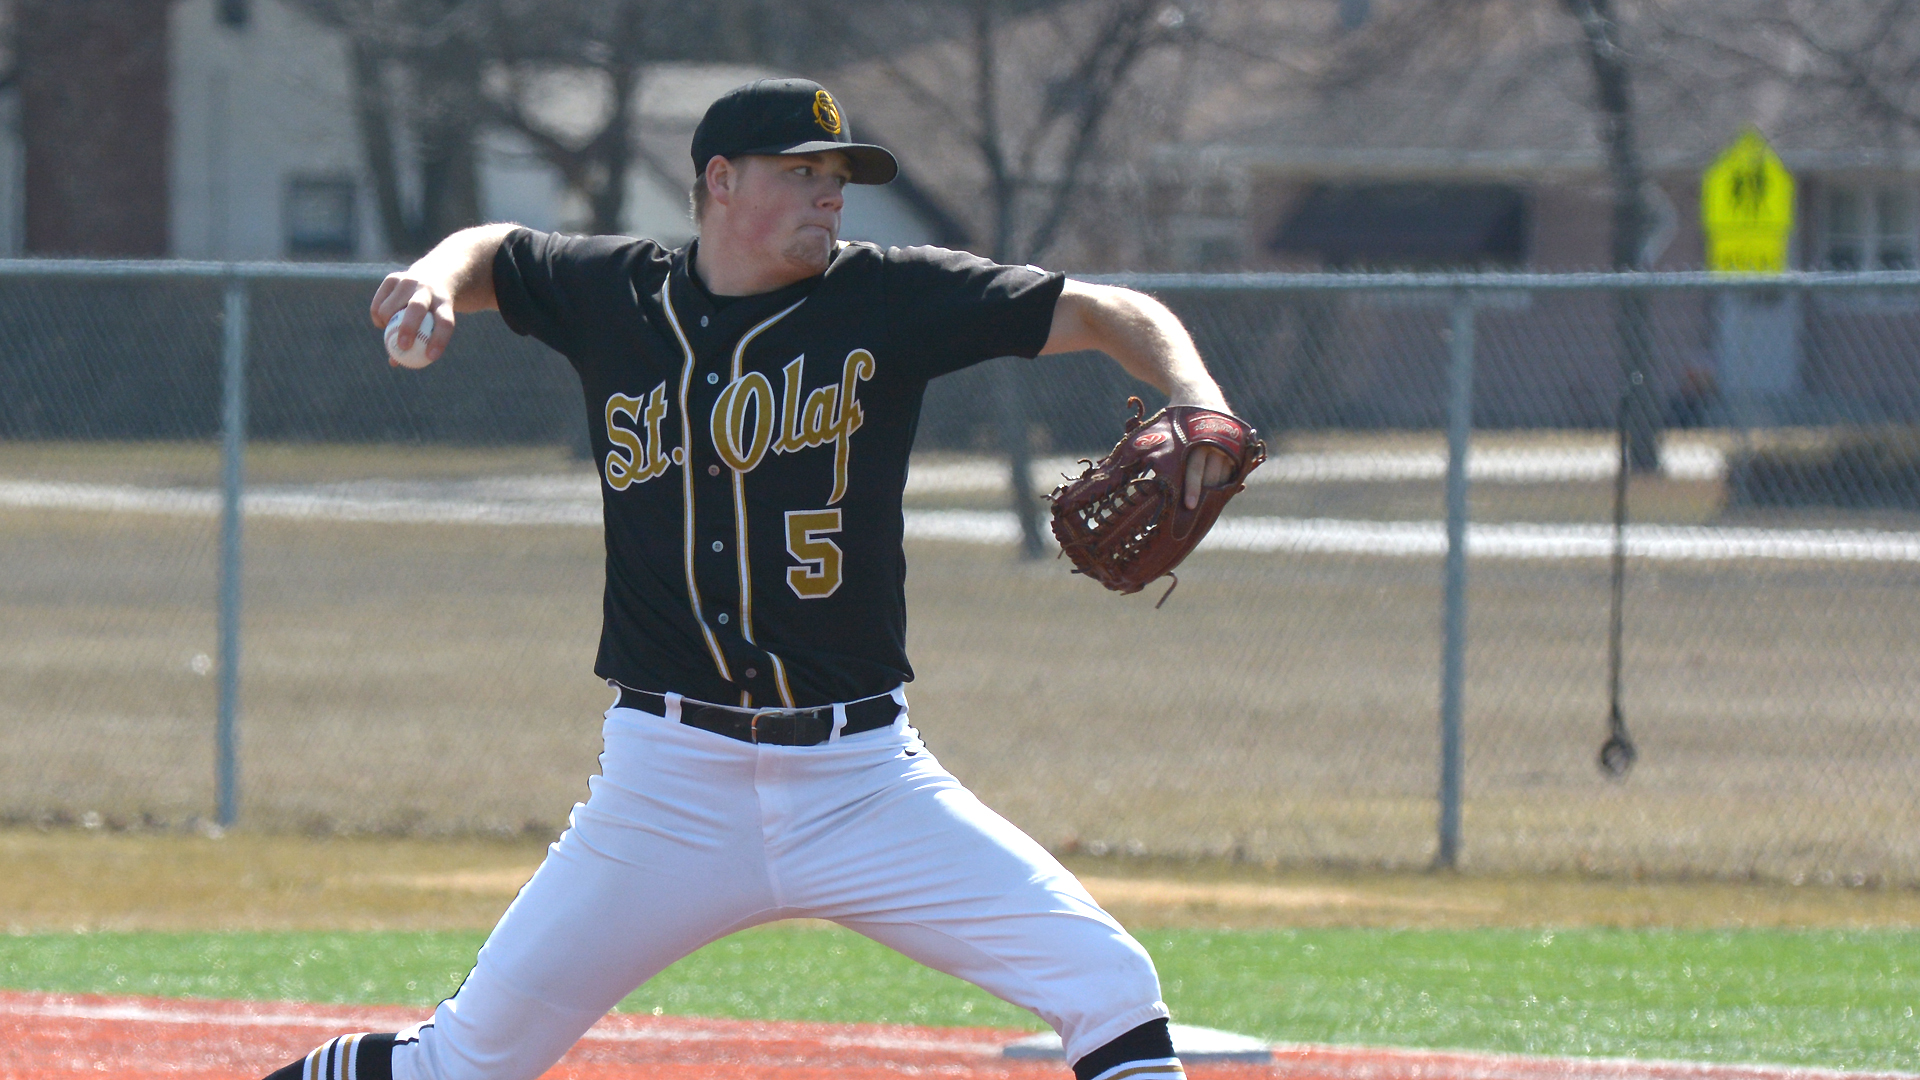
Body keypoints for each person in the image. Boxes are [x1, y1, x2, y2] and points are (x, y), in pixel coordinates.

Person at [262, 77, 1234, 1080]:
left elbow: (1109, 309)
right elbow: (496, 253)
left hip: (862, 783)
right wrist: (430, 274)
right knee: (460, 1065)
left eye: (839, 178)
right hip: (666, 787)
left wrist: (1196, 394)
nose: (830, 196)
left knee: (1109, 983)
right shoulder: (617, 293)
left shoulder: (888, 296)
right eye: (802, 173)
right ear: (720, 181)